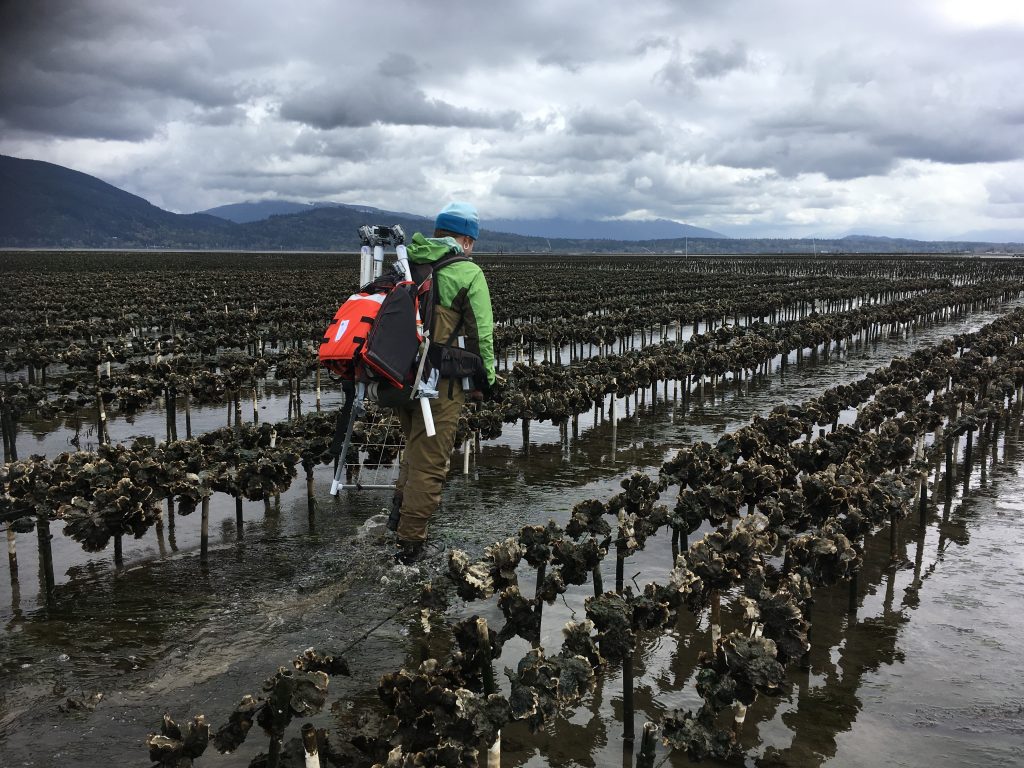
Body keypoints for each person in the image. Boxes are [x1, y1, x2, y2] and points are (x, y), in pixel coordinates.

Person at [389, 202, 496, 564]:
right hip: (438, 384)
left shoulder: (409, 262)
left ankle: (395, 520)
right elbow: (481, 335)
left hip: (399, 377)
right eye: (473, 242)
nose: (473, 249)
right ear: (466, 240)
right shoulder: (467, 272)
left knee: (415, 451)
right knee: (431, 464)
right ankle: (409, 548)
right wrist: (489, 380)